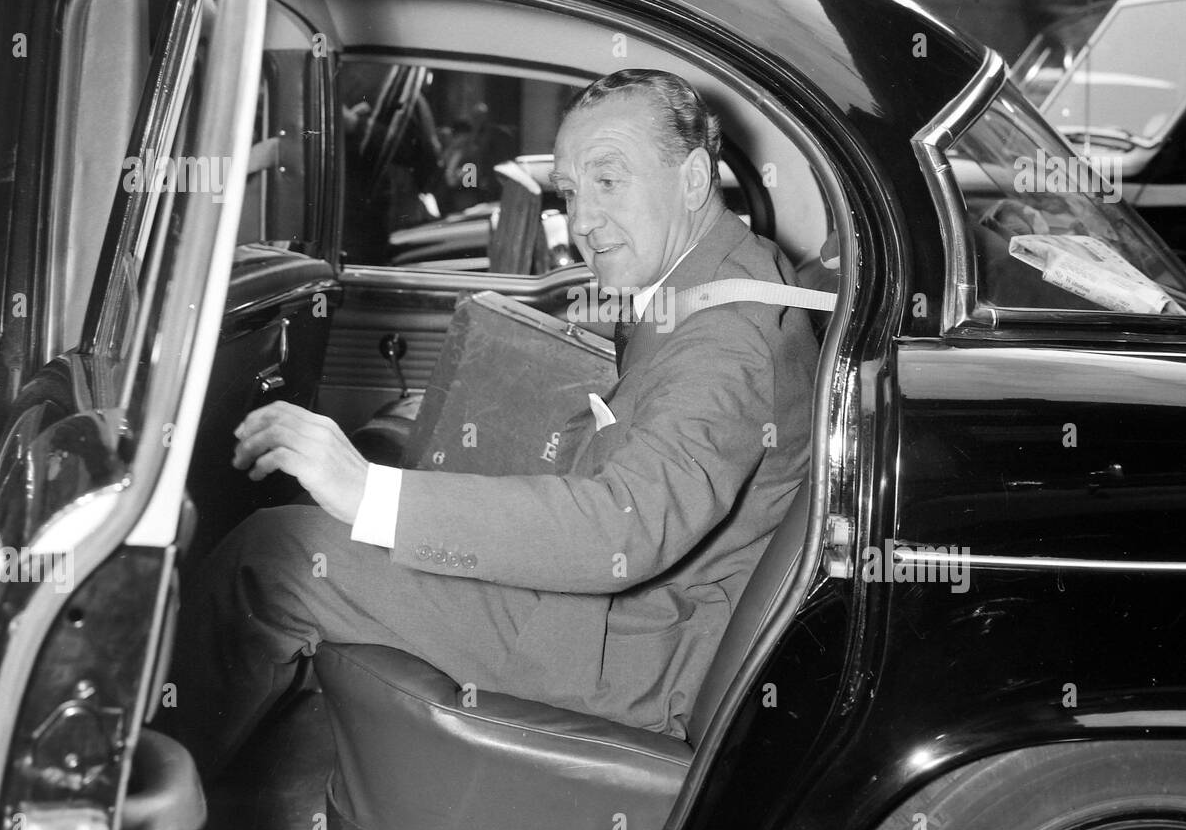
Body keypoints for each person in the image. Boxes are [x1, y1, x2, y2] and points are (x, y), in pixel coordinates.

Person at [167, 69, 818, 779]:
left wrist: (368, 492)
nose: (584, 223)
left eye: (609, 182)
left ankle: (145, 812)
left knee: (277, 555)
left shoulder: (726, 341)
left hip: (628, 649)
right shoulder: (722, 270)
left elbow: (623, 529)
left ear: (693, 180)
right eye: (570, 192)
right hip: (630, 616)